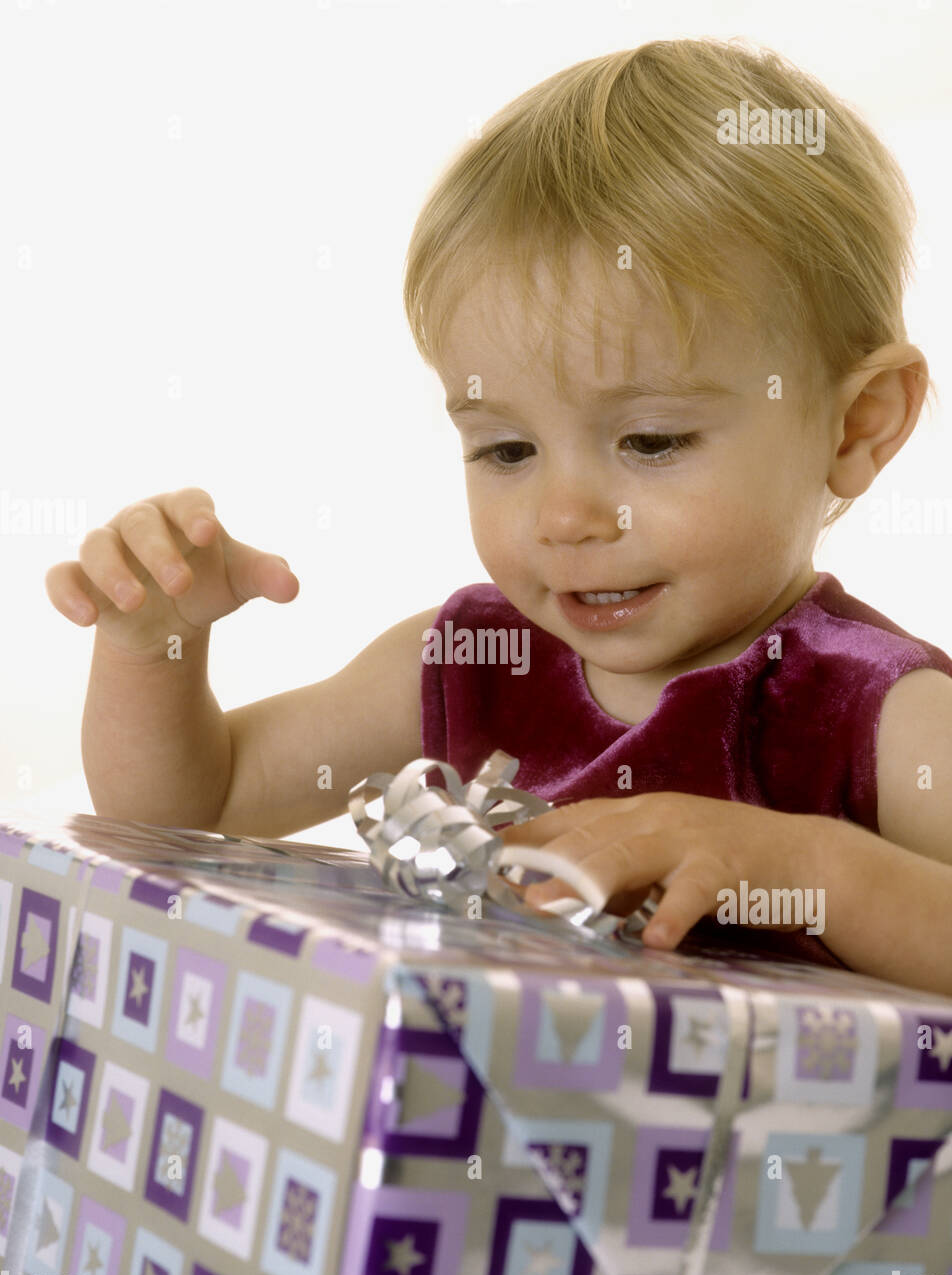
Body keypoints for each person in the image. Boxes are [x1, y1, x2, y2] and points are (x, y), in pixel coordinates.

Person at [46, 39, 952, 994]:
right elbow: (189, 807)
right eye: (506, 450)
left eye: (650, 443)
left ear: (856, 425)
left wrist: (805, 868)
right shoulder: (472, 664)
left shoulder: (875, 713)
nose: (564, 517)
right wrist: (153, 651)